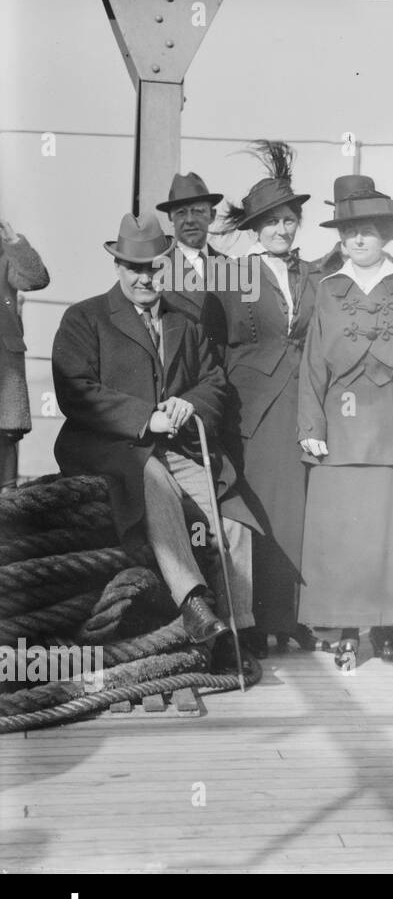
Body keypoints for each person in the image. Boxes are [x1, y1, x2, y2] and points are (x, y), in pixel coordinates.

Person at [52, 213, 259, 674]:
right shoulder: (84, 318)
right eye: (134, 268)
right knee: (153, 478)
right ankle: (195, 603)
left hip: (177, 445)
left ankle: (237, 634)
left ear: (166, 266)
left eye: (153, 268)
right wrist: (145, 417)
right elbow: (76, 390)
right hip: (111, 446)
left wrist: (188, 404)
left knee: (232, 515)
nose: (145, 278)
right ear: (118, 267)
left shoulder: (183, 321)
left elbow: (214, 383)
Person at [298, 177, 393, 670]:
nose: (360, 240)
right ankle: (343, 632)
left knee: (390, 532)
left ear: (386, 235)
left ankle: (385, 632)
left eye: (370, 231)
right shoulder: (328, 288)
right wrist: (310, 425)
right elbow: (313, 363)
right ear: (341, 239)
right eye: (351, 232)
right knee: (342, 535)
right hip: (341, 427)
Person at [207, 140, 318, 658]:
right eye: (271, 222)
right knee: (258, 512)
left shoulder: (309, 271)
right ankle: (254, 622)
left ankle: (288, 618)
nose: (281, 229)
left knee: (294, 512)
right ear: (253, 227)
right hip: (250, 407)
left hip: (301, 403)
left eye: (289, 220)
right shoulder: (231, 270)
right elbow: (203, 328)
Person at [0, 218, 50, 490]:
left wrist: (13, 241)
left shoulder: (5, 251)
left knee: (5, 491)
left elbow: (36, 279)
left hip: (3, 387)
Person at [156, 172, 227, 349]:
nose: (189, 220)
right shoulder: (156, 269)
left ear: (212, 215)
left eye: (198, 211)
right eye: (181, 212)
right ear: (170, 218)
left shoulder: (231, 267)